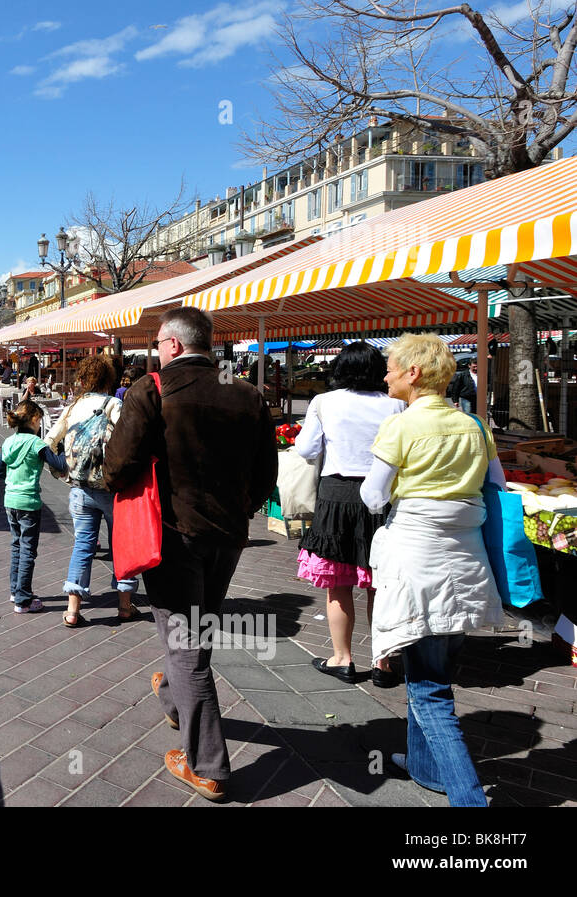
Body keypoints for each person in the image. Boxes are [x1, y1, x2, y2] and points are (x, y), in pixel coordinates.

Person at [104, 306, 278, 802]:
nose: (157, 351)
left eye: (159, 343)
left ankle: (208, 765)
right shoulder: (248, 395)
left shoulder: (152, 389)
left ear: (174, 345)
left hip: (172, 533)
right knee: (193, 636)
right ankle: (173, 698)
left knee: (186, 647)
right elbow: (267, 472)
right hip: (227, 534)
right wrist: (239, 506)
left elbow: (119, 464)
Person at [361, 334, 504, 807]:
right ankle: (425, 767)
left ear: (413, 373)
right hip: (466, 563)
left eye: (391, 367)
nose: (385, 374)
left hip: (417, 563)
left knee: (430, 691)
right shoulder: (476, 427)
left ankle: (470, 802)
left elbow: (373, 496)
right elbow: (496, 486)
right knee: (432, 669)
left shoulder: (400, 427)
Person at [294, 342, 405, 686]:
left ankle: (342, 658)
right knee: (381, 584)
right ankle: (383, 663)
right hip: (382, 496)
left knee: (339, 583)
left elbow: (306, 449)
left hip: (336, 497)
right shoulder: (396, 404)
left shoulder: (324, 402)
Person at [44, 354, 131, 627]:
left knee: (82, 545)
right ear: (108, 380)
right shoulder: (114, 404)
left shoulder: (73, 406)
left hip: (79, 488)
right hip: (111, 488)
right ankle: (125, 606)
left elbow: (47, 442)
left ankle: (72, 610)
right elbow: (130, 438)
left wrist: (60, 469)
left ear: (82, 380)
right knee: (121, 545)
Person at [0, 399, 68, 613]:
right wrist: (61, 445)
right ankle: (23, 600)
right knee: (28, 550)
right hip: (29, 503)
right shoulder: (37, 444)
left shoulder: (8, 442)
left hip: (10, 501)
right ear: (35, 419)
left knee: (16, 546)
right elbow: (60, 466)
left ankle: (15, 591)